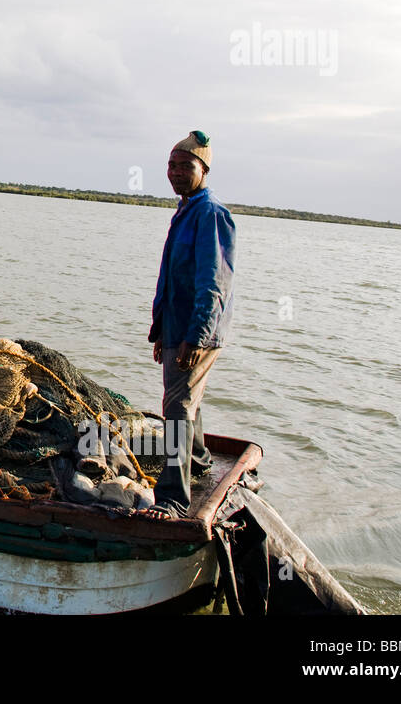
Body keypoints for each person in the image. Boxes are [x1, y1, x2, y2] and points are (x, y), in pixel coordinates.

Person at [143, 130, 236, 519]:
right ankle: (198, 460)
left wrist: (197, 336)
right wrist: (163, 331)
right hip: (178, 325)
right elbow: (173, 278)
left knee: (177, 406)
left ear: (204, 170)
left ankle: (172, 499)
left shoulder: (209, 212)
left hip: (196, 329)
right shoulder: (186, 209)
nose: (176, 172)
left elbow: (212, 281)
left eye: (186, 166)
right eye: (172, 165)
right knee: (187, 400)